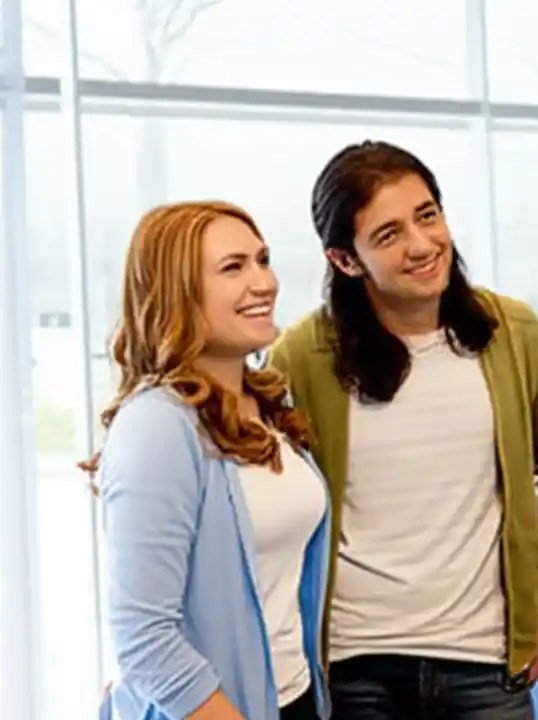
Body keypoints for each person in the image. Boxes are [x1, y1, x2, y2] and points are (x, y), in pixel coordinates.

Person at [268, 140, 538, 719]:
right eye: (388, 235)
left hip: (484, 661)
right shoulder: (302, 356)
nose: (422, 245)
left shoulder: (511, 331)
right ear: (345, 260)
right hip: (355, 665)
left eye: (428, 215)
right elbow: (274, 506)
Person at [86, 201, 332, 720]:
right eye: (233, 267)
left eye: (262, 260)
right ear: (178, 293)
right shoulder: (158, 424)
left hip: (293, 696)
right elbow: (143, 633)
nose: (264, 282)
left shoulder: (269, 404)